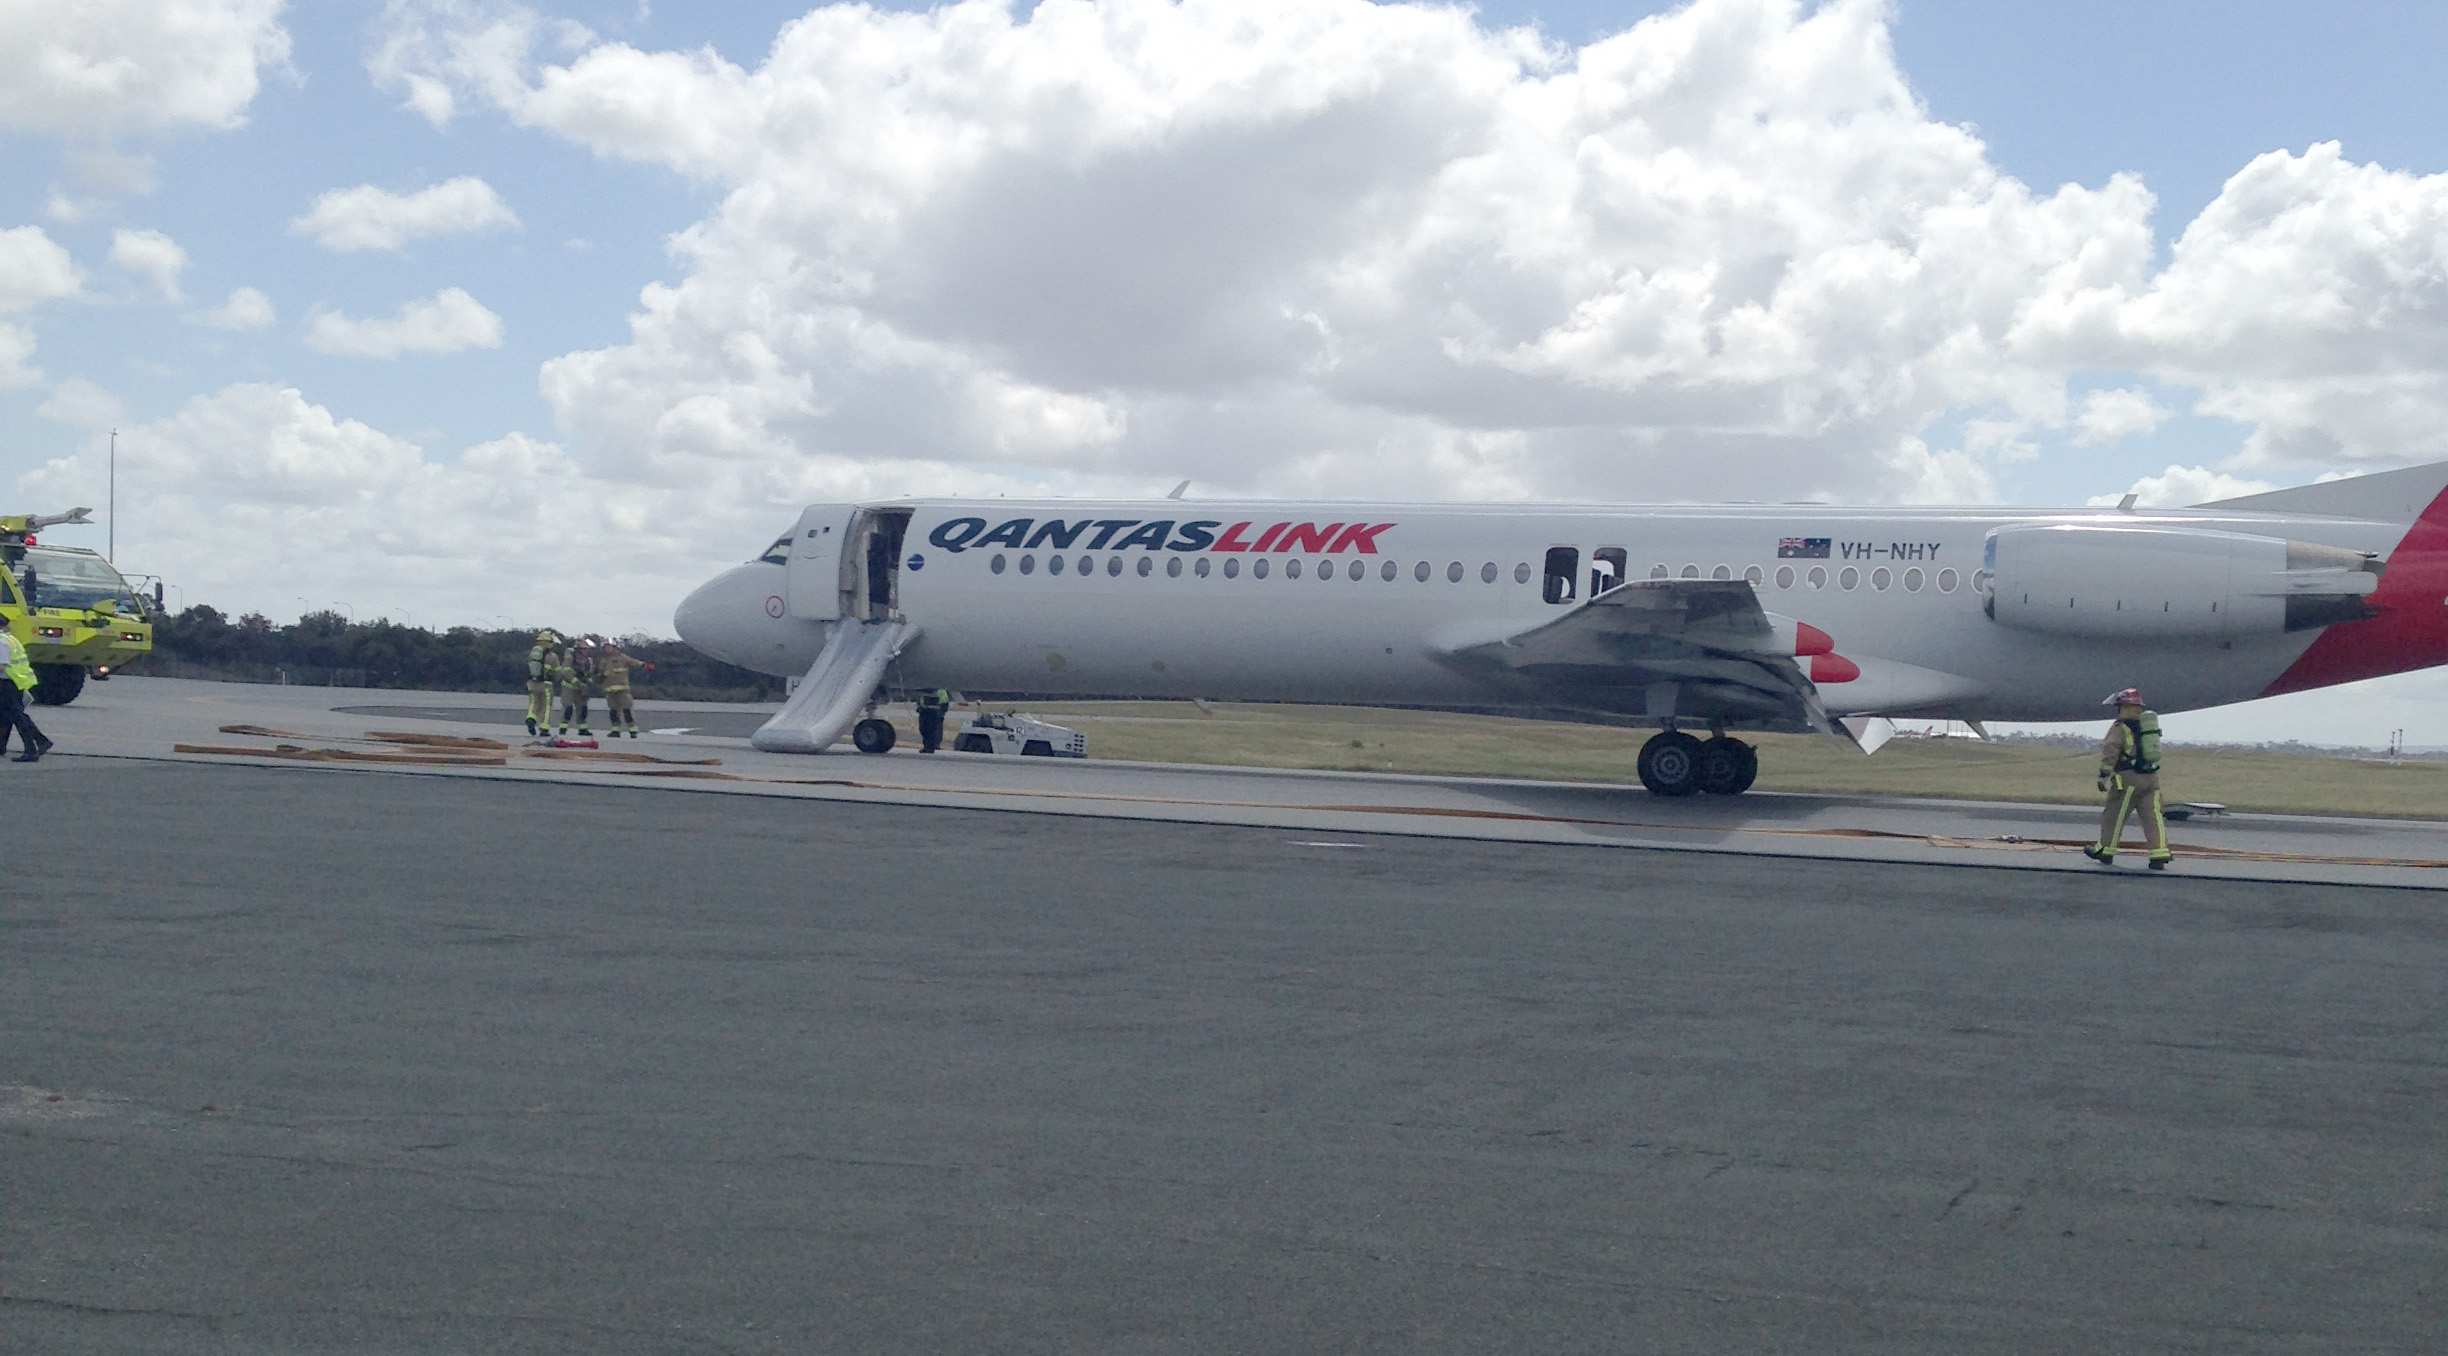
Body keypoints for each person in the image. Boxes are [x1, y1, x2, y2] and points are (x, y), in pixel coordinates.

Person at [2085, 687, 2171, 870]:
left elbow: (2111, 751)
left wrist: (2103, 776)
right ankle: (2160, 853)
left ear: (2123, 706)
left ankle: (2106, 851)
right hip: (2151, 779)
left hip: (2128, 780)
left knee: (2114, 815)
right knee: (2153, 817)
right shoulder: (2148, 727)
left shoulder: (2120, 727)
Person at [0, 627, 50, 762]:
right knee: (8, 715)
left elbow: (2, 666)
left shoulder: (1, 642)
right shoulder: (11, 639)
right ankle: (40, 741)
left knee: (16, 716)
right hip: (15, 681)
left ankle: (32, 749)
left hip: (7, 682)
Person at [594, 639, 652, 738]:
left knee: (627, 710)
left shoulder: (622, 658)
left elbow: (634, 662)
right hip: (610, 691)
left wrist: (644, 665)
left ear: (614, 647)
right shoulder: (603, 661)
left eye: (609, 647)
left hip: (623, 691)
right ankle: (615, 731)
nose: (607, 649)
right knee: (613, 712)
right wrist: (599, 676)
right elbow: (599, 674)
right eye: (605, 647)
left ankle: (633, 730)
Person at [525, 628, 563, 737]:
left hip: (532, 683)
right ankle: (544, 728)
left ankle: (530, 718)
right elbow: (557, 673)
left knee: (533, 703)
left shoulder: (532, 654)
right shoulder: (552, 656)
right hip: (546, 685)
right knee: (546, 706)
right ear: (549, 643)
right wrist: (557, 679)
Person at [557, 641, 596, 738]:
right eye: (583, 649)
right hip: (569, 687)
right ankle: (563, 728)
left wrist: (588, 681)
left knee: (583, 709)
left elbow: (589, 673)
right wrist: (575, 681)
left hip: (581, 688)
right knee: (568, 708)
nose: (585, 651)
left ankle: (583, 729)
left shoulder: (588, 661)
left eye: (587, 649)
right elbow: (565, 671)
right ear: (578, 650)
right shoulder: (570, 658)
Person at [915, 686, 951, 753]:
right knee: (924, 729)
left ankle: (931, 747)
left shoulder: (940, 690)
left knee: (930, 730)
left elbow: (944, 702)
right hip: (926, 711)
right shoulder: (923, 690)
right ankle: (928, 746)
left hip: (933, 712)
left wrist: (941, 712)